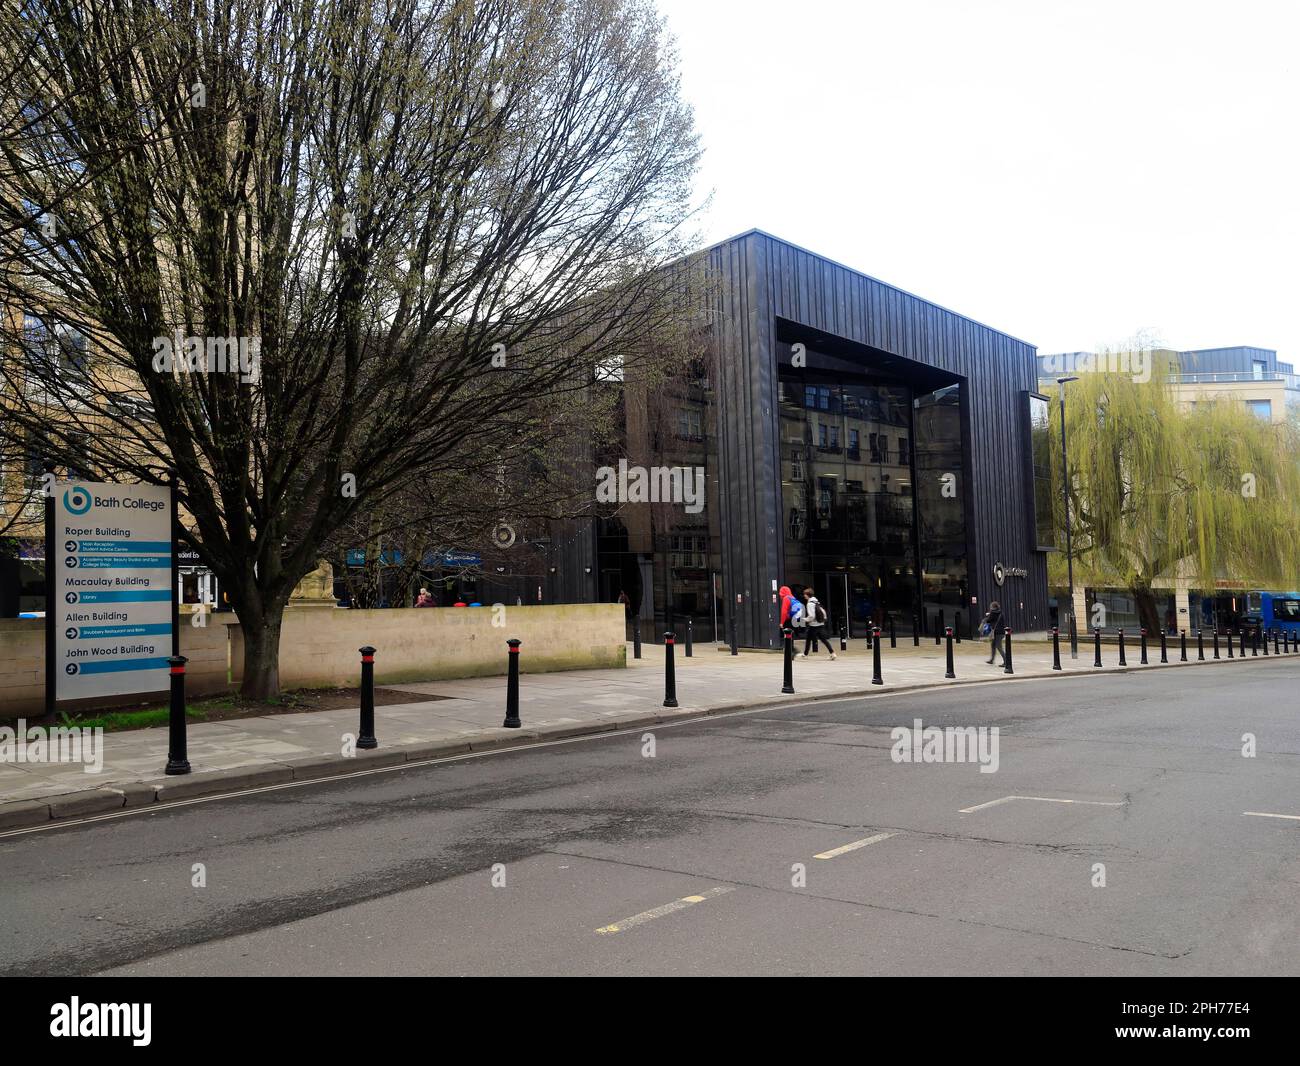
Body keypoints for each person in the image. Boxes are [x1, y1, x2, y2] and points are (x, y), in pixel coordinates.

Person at [799, 587, 836, 659]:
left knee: (808, 639)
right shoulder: (816, 602)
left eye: (805, 594)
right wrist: (823, 620)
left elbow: (812, 616)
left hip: (813, 625)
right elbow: (823, 612)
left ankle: (805, 654)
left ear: (807, 595)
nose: (804, 595)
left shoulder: (810, 604)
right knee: (824, 640)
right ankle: (833, 653)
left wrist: (804, 620)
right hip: (820, 624)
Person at [980, 601, 1007, 665]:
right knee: (993, 645)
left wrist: (987, 617)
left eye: (991, 606)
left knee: (999, 647)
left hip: (997, 632)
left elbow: (988, 620)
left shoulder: (993, 613)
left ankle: (1006, 661)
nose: (990, 608)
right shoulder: (1000, 612)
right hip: (1001, 631)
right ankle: (992, 660)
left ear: (993, 607)